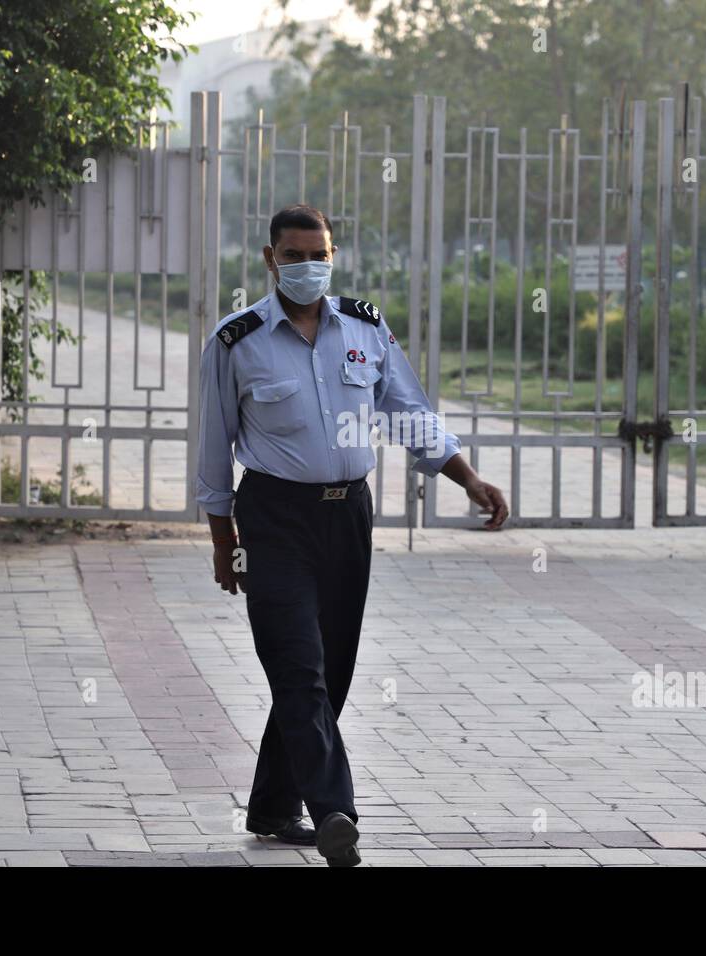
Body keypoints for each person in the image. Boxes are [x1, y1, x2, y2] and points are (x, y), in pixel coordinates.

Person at [196, 203, 509, 866]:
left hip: (348, 518)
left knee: (328, 671)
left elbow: (408, 416)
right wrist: (224, 541)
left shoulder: (364, 328)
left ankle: (274, 807)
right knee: (298, 667)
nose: (308, 266)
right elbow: (212, 448)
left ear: (331, 256)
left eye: (319, 254)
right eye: (294, 254)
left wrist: (469, 479)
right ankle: (335, 811)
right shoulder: (236, 341)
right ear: (269, 259)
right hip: (274, 517)